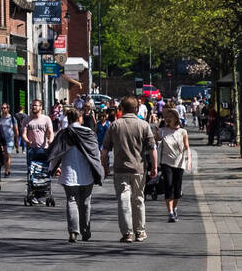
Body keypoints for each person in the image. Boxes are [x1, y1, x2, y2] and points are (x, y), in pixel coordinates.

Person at [103, 96, 158, 243]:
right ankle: (140, 231)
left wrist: (105, 167)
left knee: (123, 199)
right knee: (139, 199)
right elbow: (152, 149)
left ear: (122, 108)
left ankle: (127, 233)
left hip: (120, 168)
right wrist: (155, 167)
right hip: (139, 168)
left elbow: (105, 150)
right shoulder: (144, 125)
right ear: (136, 109)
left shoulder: (114, 125)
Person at [47, 108, 103, 242]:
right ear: (80, 119)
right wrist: (98, 168)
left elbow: (55, 153)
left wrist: (54, 168)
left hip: (68, 173)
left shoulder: (63, 134)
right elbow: (96, 153)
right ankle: (85, 230)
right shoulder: (89, 133)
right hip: (86, 173)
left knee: (71, 201)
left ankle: (73, 231)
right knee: (85, 203)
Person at [157, 108, 190, 223]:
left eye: (170, 116)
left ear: (176, 118)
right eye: (166, 116)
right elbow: (155, 142)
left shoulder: (182, 132)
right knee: (169, 187)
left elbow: (187, 147)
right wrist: (156, 131)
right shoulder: (162, 131)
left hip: (179, 163)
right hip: (166, 162)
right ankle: (170, 212)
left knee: (177, 190)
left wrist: (189, 160)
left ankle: (175, 208)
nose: (167, 118)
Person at [22, 100, 53, 164]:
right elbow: (24, 134)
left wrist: (50, 140)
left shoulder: (46, 119)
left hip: (44, 148)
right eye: (32, 105)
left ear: (41, 107)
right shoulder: (26, 120)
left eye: (35, 105)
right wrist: (27, 141)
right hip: (31, 149)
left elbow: (51, 132)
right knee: (31, 171)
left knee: (44, 170)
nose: (33, 107)